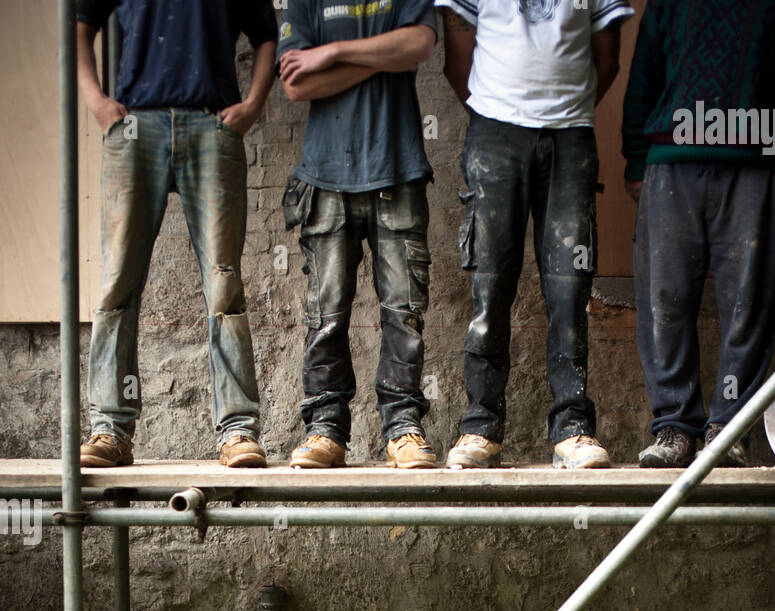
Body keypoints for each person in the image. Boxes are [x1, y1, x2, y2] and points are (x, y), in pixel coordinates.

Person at [623, 0, 775, 469]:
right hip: (674, 159)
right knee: (664, 300)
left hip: (752, 161)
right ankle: (674, 427)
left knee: (749, 302)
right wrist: (636, 157)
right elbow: (644, 73)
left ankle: (729, 428)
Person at [76, 0, 277, 470]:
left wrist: (253, 104)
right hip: (134, 128)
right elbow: (80, 23)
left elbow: (268, 33)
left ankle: (237, 430)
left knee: (223, 284)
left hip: (211, 124)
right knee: (117, 284)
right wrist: (95, 100)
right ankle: (110, 428)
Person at [437, 0, 634, 470]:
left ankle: (573, 430)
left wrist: (562, 111)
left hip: (571, 139)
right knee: (490, 286)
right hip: (494, 135)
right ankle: (479, 428)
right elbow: (456, 60)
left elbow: (608, 60)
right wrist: (501, 112)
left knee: (570, 290)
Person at [277, 1, 439, 470]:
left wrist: (332, 54)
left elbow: (419, 45)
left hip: (397, 172)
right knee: (325, 318)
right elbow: (296, 83)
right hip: (325, 180)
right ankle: (326, 430)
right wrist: (383, 56)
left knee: (403, 316)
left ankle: (403, 428)